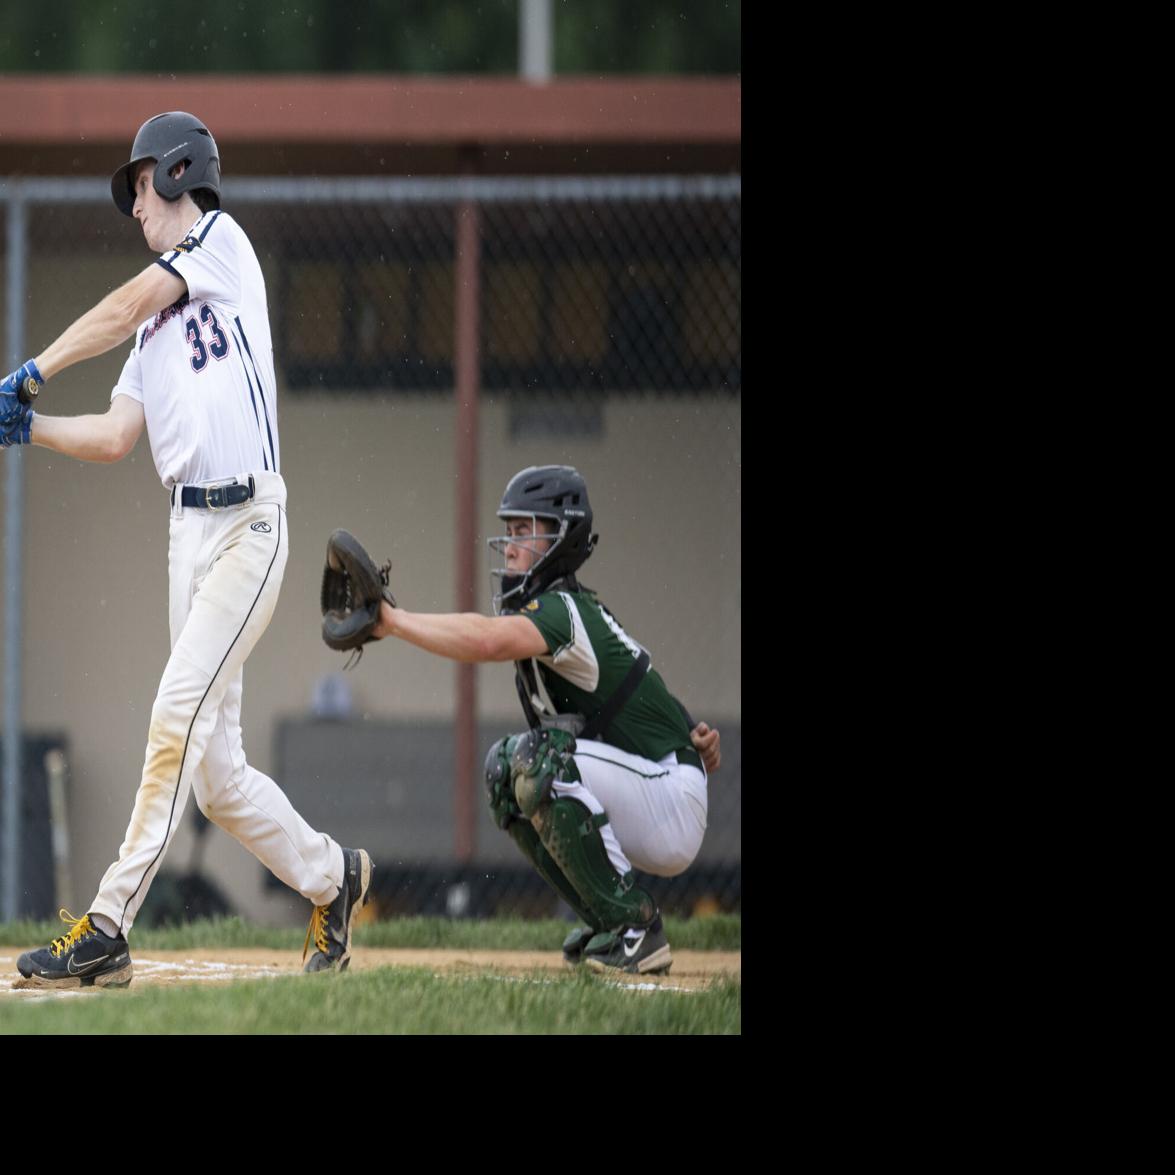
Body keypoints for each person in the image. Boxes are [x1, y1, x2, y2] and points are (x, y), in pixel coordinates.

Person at [0, 111, 370, 988]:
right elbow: (115, 435)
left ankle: (107, 922)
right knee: (215, 778)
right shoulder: (153, 325)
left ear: (176, 174)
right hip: (188, 535)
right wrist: (29, 426)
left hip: (248, 525)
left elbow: (130, 297)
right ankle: (333, 876)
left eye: (139, 186)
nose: (134, 206)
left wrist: (33, 367)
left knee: (173, 715)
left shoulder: (221, 242)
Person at [364, 464, 719, 975]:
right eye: (509, 531)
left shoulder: (561, 610)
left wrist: (391, 622)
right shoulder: (561, 609)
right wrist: (694, 733)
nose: (510, 546)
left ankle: (636, 929)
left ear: (563, 537)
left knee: (537, 759)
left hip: (670, 803)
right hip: (653, 788)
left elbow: (484, 640)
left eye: (525, 530)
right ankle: (608, 919)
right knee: (504, 772)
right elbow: (639, 684)